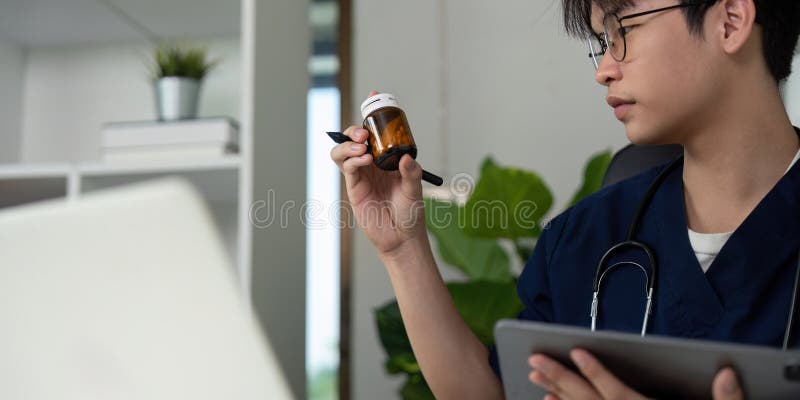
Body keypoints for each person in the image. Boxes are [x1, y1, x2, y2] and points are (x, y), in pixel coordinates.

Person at [330, 0, 800, 398]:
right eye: (602, 41)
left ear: (730, 21)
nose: (603, 70)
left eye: (624, 31)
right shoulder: (583, 240)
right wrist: (404, 248)